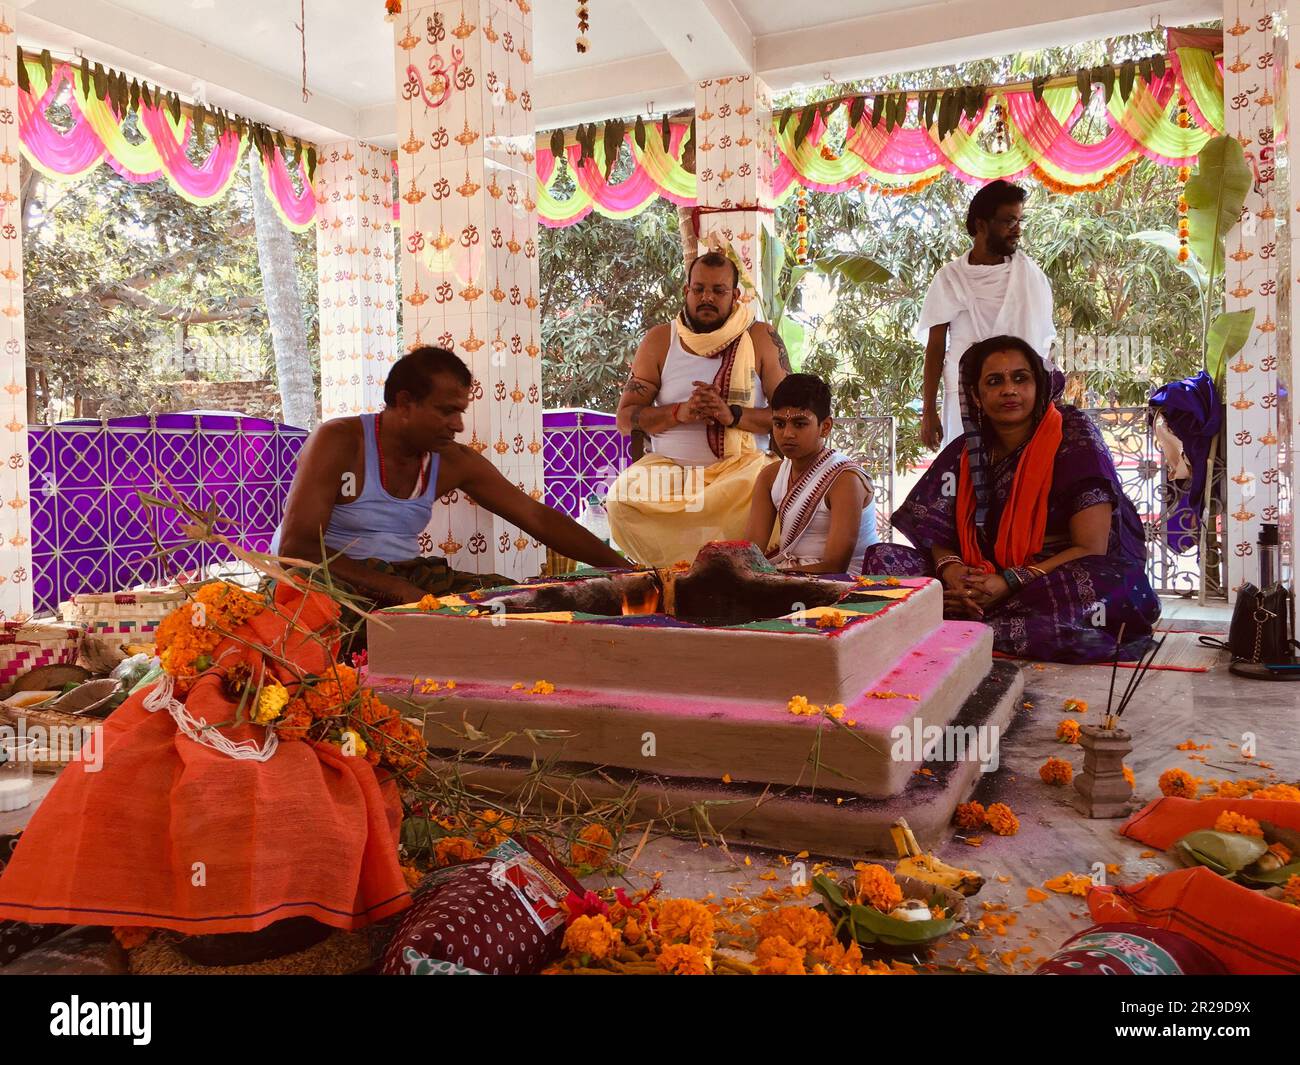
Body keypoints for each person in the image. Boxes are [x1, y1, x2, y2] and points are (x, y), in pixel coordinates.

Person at [863, 335, 1160, 663]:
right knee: (883, 561)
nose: (1009, 389)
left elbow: (1091, 546)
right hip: (977, 576)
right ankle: (970, 614)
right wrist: (953, 574)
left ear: (1039, 385)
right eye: (995, 381)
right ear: (976, 395)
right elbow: (938, 535)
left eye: (1021, 378)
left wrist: (1010, 580)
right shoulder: (966, 452)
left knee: (1104, 585)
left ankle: (946, 618)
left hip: (1047, 576)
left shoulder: (1075, 438)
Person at [275, 347, 624, 605]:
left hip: (406, 573)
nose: (458, 425)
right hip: (325, 582)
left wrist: (628, 571)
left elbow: (537, 517)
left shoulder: (453, 461)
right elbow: (296, 548)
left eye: (460, 412)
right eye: (447, 411)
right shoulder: (338, 440)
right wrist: (400, 592)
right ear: (405, 402)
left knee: (516, 603)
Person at [605, 251, 789, 568]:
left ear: (735, 295)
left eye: (718, 291)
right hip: (672, 472)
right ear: (686, 291)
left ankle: (730, 577)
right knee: (622, 502)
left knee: (768, 496)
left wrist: (732, 415)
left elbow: (789, 415)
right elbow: (625, 419)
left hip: (740, 474)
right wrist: (679, 413)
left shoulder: (761, 337)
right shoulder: (660, 340)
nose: (707, 297)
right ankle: (677, 576)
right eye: (699, 289)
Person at [918, 180, 1057, 449]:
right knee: (966, 472)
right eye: (1008, 222)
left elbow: (1042, 347)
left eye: (1019, 221)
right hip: (964, 394)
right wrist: (927, 411)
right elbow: (935, 348)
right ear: (981, 224)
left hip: (1017, 393)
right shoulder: (950, 277)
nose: (1017, 230)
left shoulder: (1029, 275)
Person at [743, 373, 877, 576]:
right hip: (789, 577)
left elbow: (835, 566)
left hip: (847, 582)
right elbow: (750, 554)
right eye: (779, 424)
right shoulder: (769, 477)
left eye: (800, 424)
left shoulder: (845, 479)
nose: (787, 434)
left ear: (825, 427)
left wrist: (772, 578)